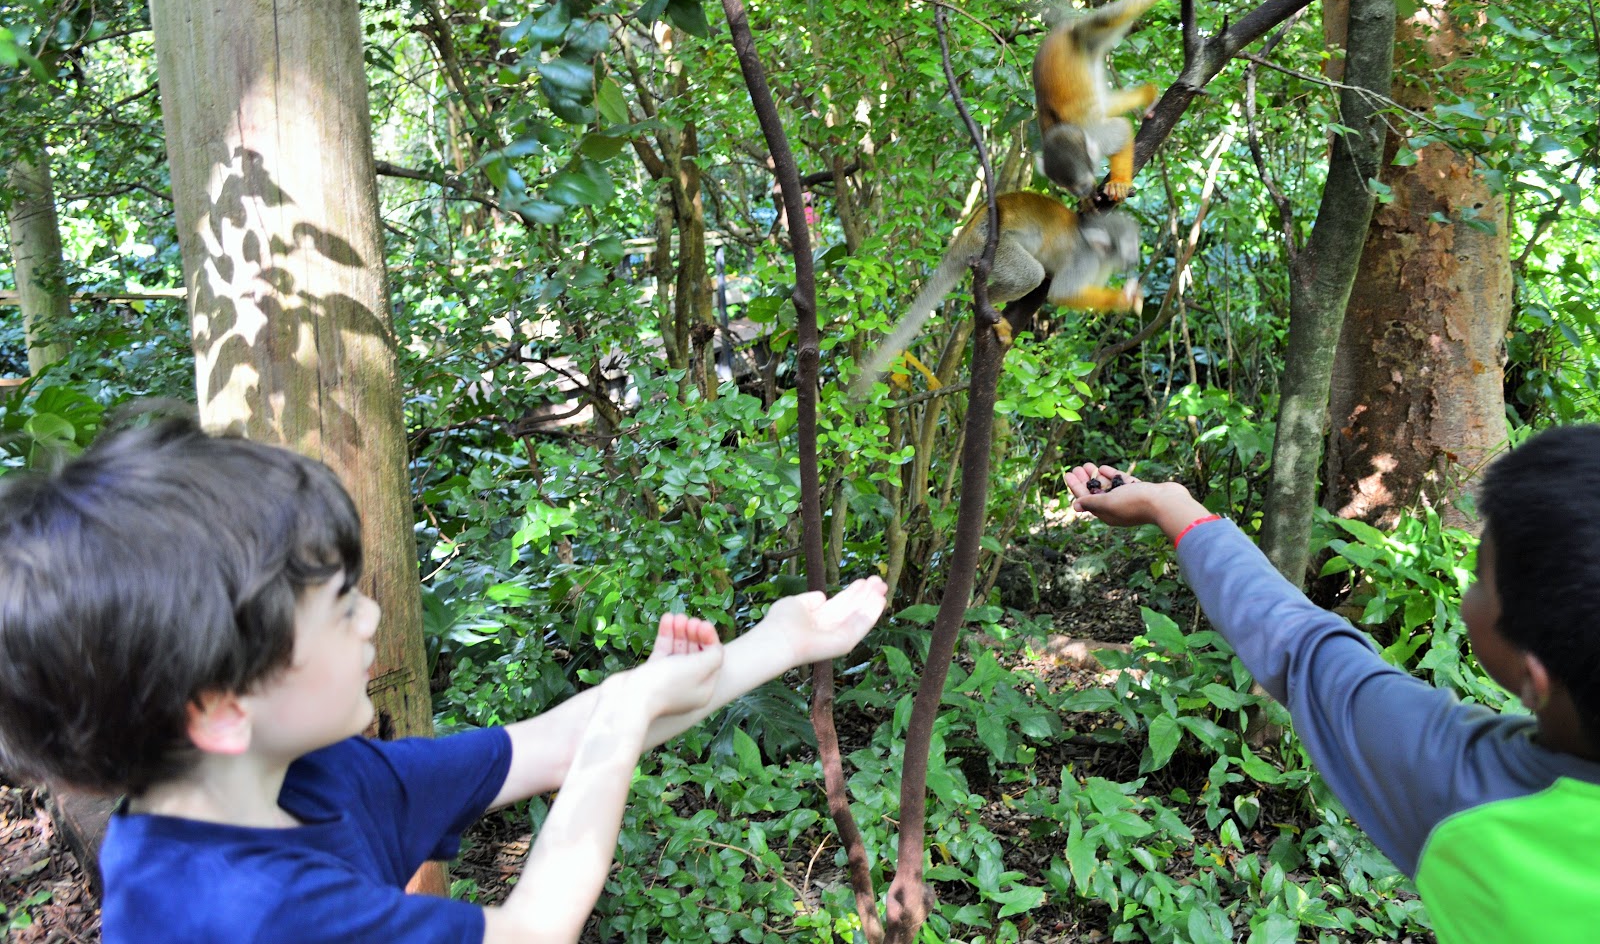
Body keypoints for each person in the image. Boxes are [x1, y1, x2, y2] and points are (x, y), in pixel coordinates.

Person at [0, 418, 888, 943]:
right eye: (341, 606)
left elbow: (547, 751)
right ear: (223, 706)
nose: (373, 620)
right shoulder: (241, 911)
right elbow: (533, 931)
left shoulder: (293, 776)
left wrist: (777, 644)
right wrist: (626, 708)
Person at [1064, 426, 1600, 944]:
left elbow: (1300, 644)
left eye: (1481, 578)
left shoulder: (1466, 797)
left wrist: (1168, 504)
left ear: (1534, 679)